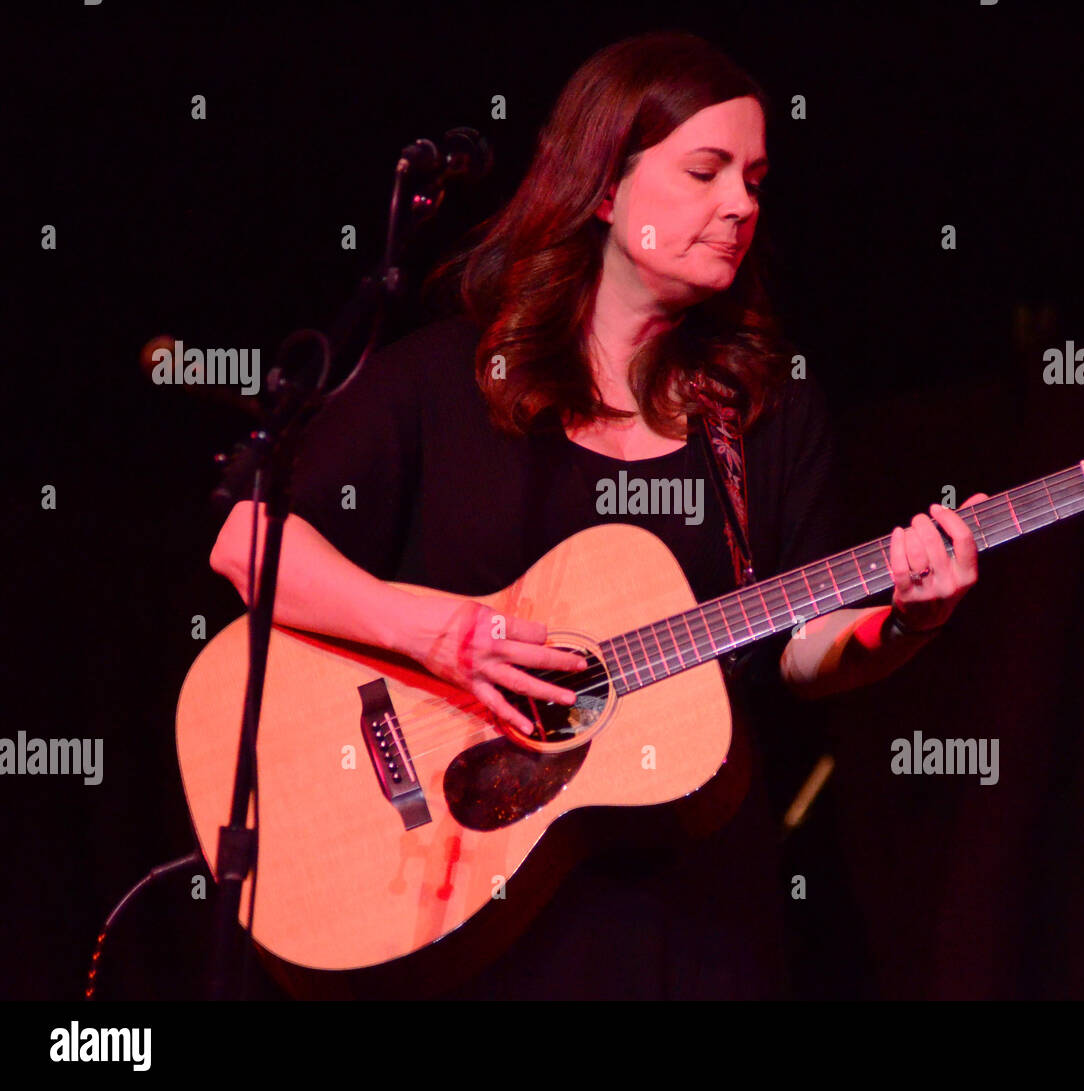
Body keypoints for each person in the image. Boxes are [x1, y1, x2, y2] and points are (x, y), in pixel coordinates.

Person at [209, 30, 985, 999]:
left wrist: (909, 616)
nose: (740, 203)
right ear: (605, 188)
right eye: (704, 171)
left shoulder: (766, 407)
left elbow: (803, 649)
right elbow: (248, 537)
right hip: (456, 905)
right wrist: (443, 633)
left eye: (753, 177)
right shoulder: (452, 376)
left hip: (691, 929)